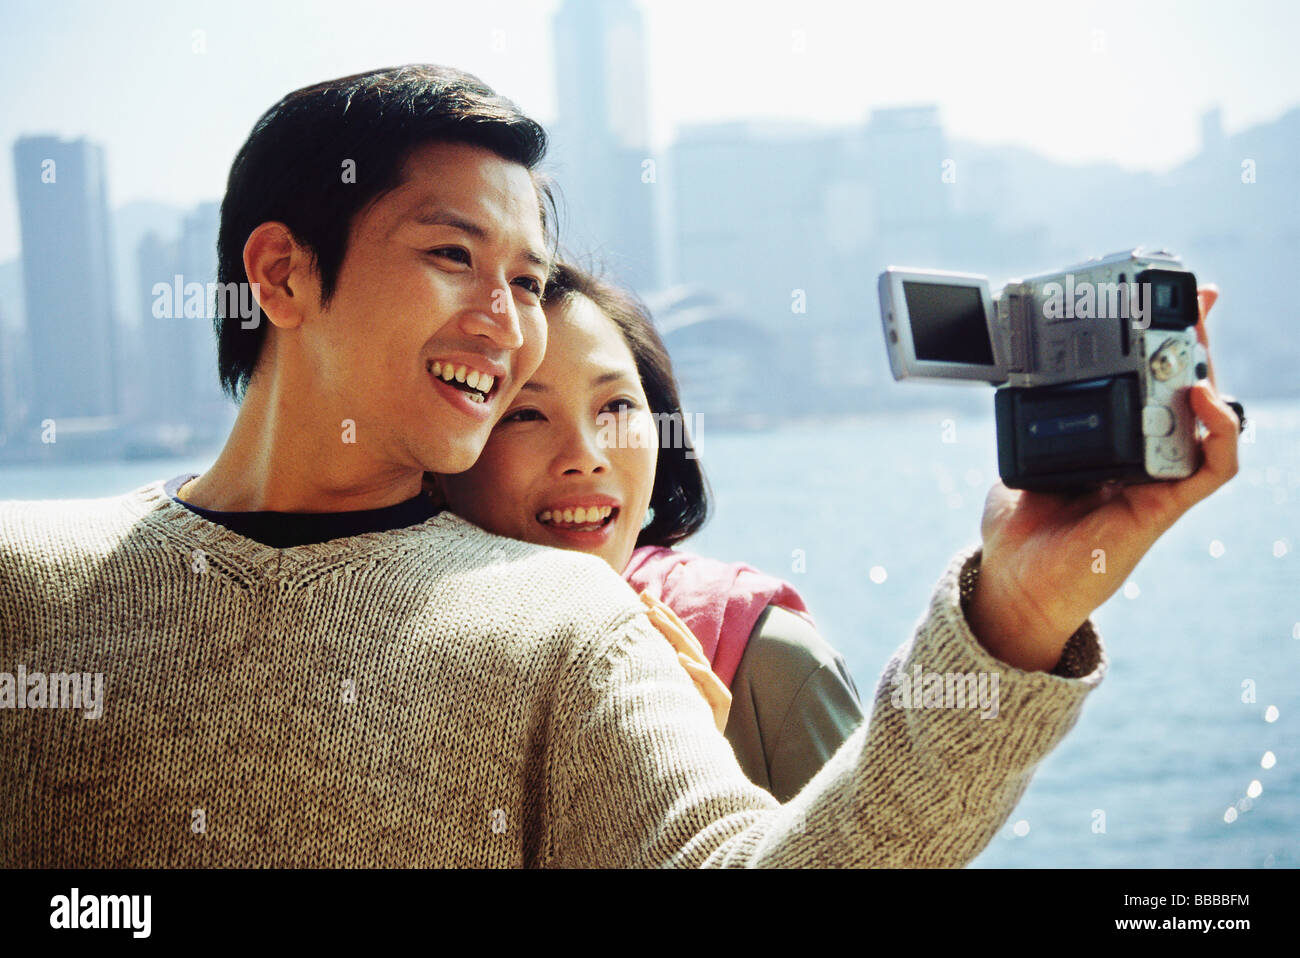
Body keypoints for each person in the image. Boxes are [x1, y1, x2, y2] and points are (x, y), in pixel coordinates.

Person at [0, 65, 1241, 868]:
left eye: (530, 280)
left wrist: (1012, 614)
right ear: (280, 274)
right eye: (451, 254)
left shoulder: (565, 621)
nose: (508, 318)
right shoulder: (24, 581)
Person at [431, 262, 865, 802]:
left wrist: (692, 794)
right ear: (439, 459)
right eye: (524, 415)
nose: (586, 457)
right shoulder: (381, 676)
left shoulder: (769, 662)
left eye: (616, 406)